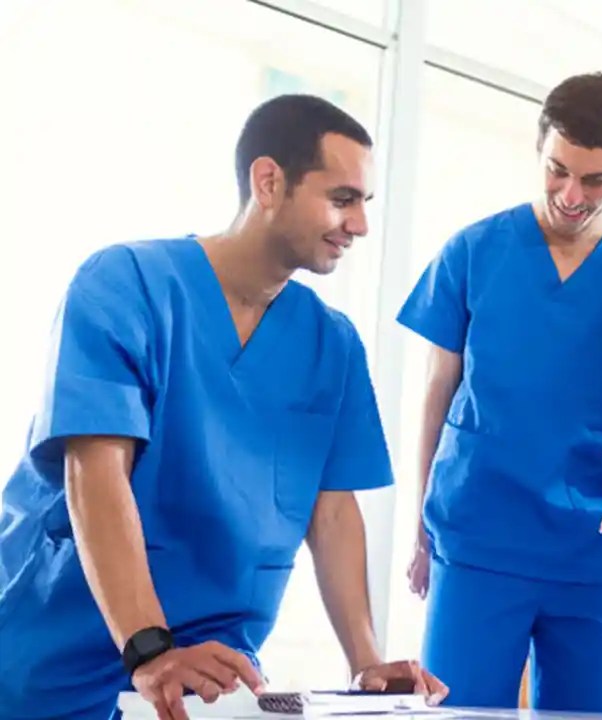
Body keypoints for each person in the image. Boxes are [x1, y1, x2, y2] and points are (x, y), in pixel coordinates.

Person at [0, 94, 447, 720]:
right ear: (269, 182)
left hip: (209, 675)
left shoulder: (333, 344)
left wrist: (366, 661)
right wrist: (149, 647)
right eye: (342, 198)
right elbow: (95, 473)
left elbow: (333, 511)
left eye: (364, 204)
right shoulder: (125, 284)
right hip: (64, 650)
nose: (360, 225)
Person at [397, 72, 602, 714]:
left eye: (595, 181)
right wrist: (420, 527)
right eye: (558, 170)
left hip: (591, 552)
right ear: (539, 150)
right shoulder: (471, 252)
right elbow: (438, 397)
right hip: (478, 537)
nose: (570, 195)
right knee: (459, 710)